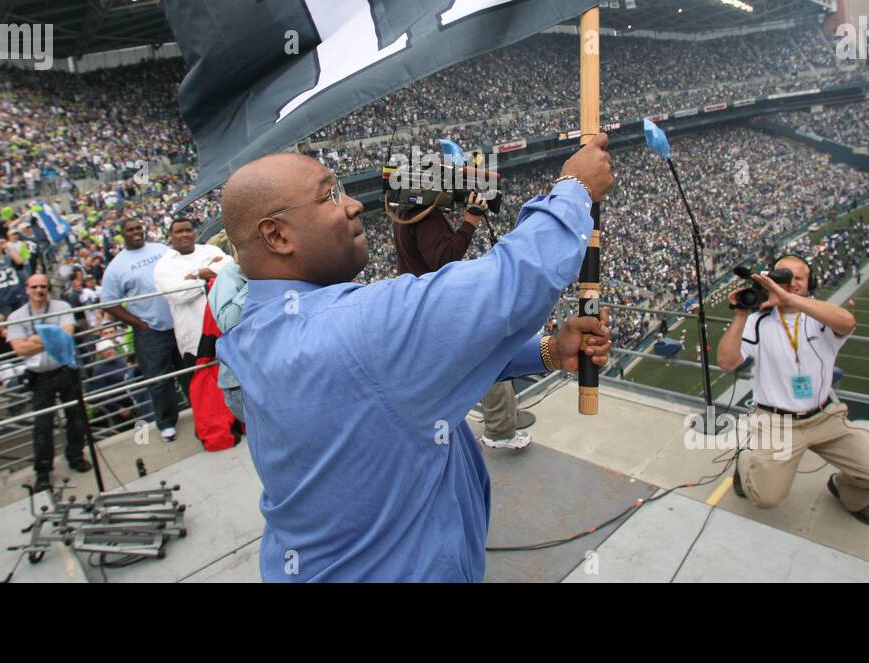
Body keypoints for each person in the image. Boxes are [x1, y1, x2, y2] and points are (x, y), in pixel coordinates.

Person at [215, 136, 614, 581]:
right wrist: (575, 188)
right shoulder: (355, 326)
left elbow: (397, 378)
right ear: (276, 235)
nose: (353, 206)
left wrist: (549, 350)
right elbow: (512, 280)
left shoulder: (256, 331)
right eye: (329, 195)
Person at [716, 255, 869, 525]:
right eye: (784, 277)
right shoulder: (758, 322)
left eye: (798, 278)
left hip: (825, 416)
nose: (792, 283)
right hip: (778, 421)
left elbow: (847, 322)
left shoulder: (819, 316)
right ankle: (745, 462)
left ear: (810, 283)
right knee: (766, 499)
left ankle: (845, 491)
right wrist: (741, 314)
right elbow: (728, 363)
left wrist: (790, 301)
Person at [391, 187, 530, 450]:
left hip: (419, 306)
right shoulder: (424, 215)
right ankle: (500, 431)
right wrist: (471, 221)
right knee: (491, 355)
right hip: (436, 308)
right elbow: (444, 257)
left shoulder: (405, 211)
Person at [6, 274, 91, 492]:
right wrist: (49, 338)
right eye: (34, 286)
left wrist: (33, 340)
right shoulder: (16, 316)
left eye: (43, 286)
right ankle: (43, 471)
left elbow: (65, 337)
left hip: (65, 371)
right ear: (27, 289)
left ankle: (75, 455)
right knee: (42, 425)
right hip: (40, 376)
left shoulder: (61, 305)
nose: (39, 290)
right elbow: (19, 349)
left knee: (76, 417)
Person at [100, 217, 181, 442]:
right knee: (159, 380)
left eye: (138, 228)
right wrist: (137, 323)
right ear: (122, 234)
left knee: (188, 371)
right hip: (151, 332)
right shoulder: (116, 266)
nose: (136, 232)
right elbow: (108, 302)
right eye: (130, 229)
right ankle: (166, 423)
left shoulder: (161, 249)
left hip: (179, 322)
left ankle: (201, 412)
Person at [153, 218, 230, 399]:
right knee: (206, 394)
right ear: (171, 236)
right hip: (195, 339)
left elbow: (229, 267)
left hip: (224, 331)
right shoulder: (164, 265)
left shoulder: (210, 249)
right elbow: (178, 294)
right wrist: (208, 274)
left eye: (187, 230)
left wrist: (194, 275)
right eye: (179, 232)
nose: (185, 234)